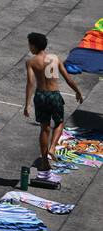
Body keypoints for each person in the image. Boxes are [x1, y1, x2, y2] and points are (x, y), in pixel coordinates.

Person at [25, 32, 84, 172]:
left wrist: (27, 104)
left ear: (34, 46)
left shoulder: (31, 62)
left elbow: (30, 83)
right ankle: (52, 147)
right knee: (59, 123)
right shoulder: (54, 58)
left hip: (40, 96)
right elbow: (68, 79)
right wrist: (78, 91)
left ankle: (45, 161)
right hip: (54, 95)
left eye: (29, 44)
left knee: (44, 128)